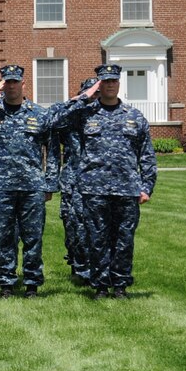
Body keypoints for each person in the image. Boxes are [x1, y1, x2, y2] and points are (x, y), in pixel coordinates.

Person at [0, 65, 90, 299]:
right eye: (7, 82)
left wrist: (50, 183)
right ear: (2, 86)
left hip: (32, 186)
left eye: (15, 82)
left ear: (23, 84)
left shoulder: (38, 114)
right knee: (3, 236)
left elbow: (52, 150)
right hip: (0, 186)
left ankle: (32, 282)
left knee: (33, 237)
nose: (11, 86)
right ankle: (6, 282)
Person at [62, 65, 156, 299]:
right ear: (99, 85)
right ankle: (101, 286)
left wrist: (147, 186)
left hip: (127, 189)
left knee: (124, 240)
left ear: (119, 84)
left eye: (113, 81)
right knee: (97, 239)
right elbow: (58, 119)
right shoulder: (84, 114)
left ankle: (120, 285)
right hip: (94, 189)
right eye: (105, 81)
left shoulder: (134, 116)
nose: (110, 85)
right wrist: (84, 98)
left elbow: (146, 155)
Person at [48, 77, 99, 284]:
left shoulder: (106, 115)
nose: (93, 98)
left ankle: (95, 269)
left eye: (96, 94)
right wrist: (78, 102)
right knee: (73, 226)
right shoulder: (70, 114)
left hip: (99, 181)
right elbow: (53, 121)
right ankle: (78, 265)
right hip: (73, 181)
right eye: (90, 94)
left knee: (99, 225)